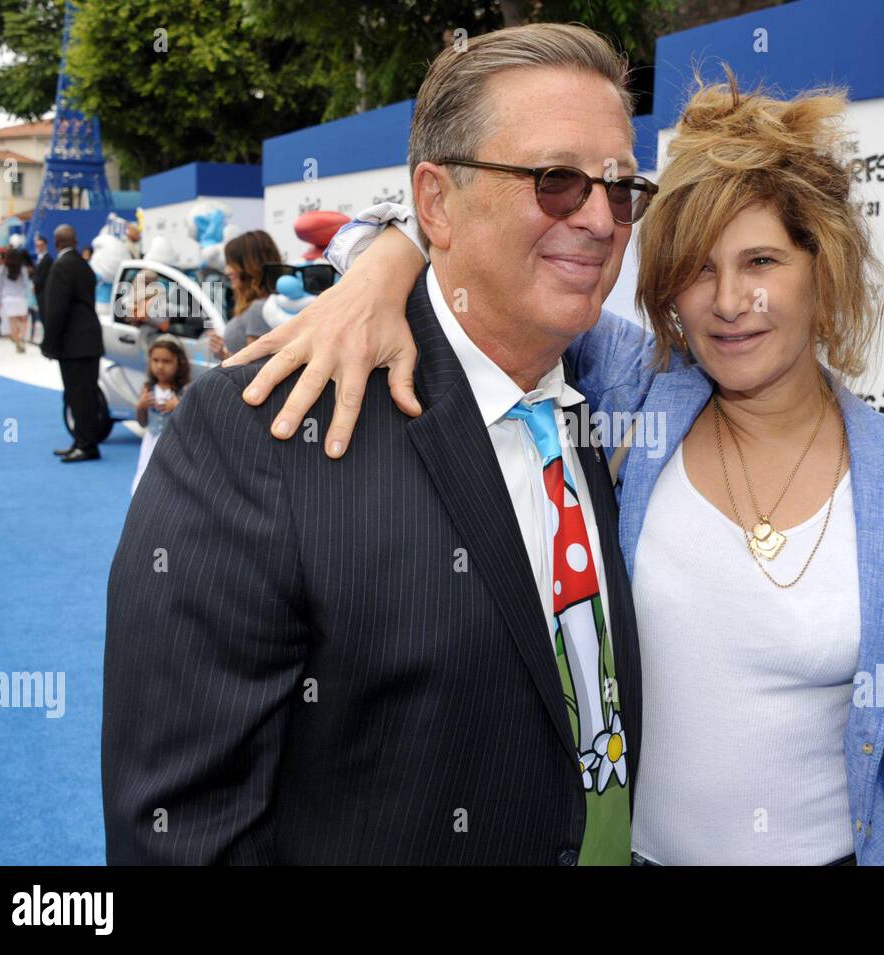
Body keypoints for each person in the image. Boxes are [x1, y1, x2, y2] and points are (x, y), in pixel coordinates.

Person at [230, 69, 884, 864]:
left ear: (820, 268)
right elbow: (474, 246)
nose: (728, 302)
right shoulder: (634, 391)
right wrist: (382, 267)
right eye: (697, 268)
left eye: (761, 262)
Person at [103, 23, 644, 865]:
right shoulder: (259, 433)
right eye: (557, 181)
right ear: (436, 202)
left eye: (620, 188)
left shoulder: (612, 399)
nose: (600, 219)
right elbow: (181, 830)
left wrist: (390, 255)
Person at [42, 224, 105, 462]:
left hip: (74, 344)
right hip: (88, 340)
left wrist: (49, 344)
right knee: (84, 394)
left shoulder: (61, 266)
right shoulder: (83, 265)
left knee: (78, 395)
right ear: (75, 241)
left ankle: (86, 445)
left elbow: (56, 310)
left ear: (56, 242)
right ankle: (82, 441)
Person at [206, 230, 280, 360]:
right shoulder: (256, 304)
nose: (227, 271)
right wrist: (223, 355)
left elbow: (253, 369)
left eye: (231, 264)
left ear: (249, 266)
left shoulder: (259, 308)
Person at [130, 337, 188, 495]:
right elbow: (143, 423)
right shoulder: (148, 388)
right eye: (155, 360)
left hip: (173, 443)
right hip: (151, 440)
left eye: (166, 361)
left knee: (170, 476)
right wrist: (140, 406)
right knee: (146, 471)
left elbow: (190, 425)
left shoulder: (184, 391)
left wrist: (178, 407)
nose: (160, 366)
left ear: (179, 362)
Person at [0, 247, 32, 354]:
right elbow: (26, 284)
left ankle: (17, 342)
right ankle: (21, 338)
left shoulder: (2, 268)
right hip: (21, 298)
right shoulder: (23, 268)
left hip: (8, 298)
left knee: (13, 322)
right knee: (22, 320)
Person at [31, 234, 52, 344]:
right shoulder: (40, 258)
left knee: (45, 316)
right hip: (40, 292)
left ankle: (48, 340)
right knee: (42, 316)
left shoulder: (47, 258)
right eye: (37, 245)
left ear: (45, 245)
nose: (39, 247)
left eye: (41, 245)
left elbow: (43, 276)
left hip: (44, 292)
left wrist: (35, 285)